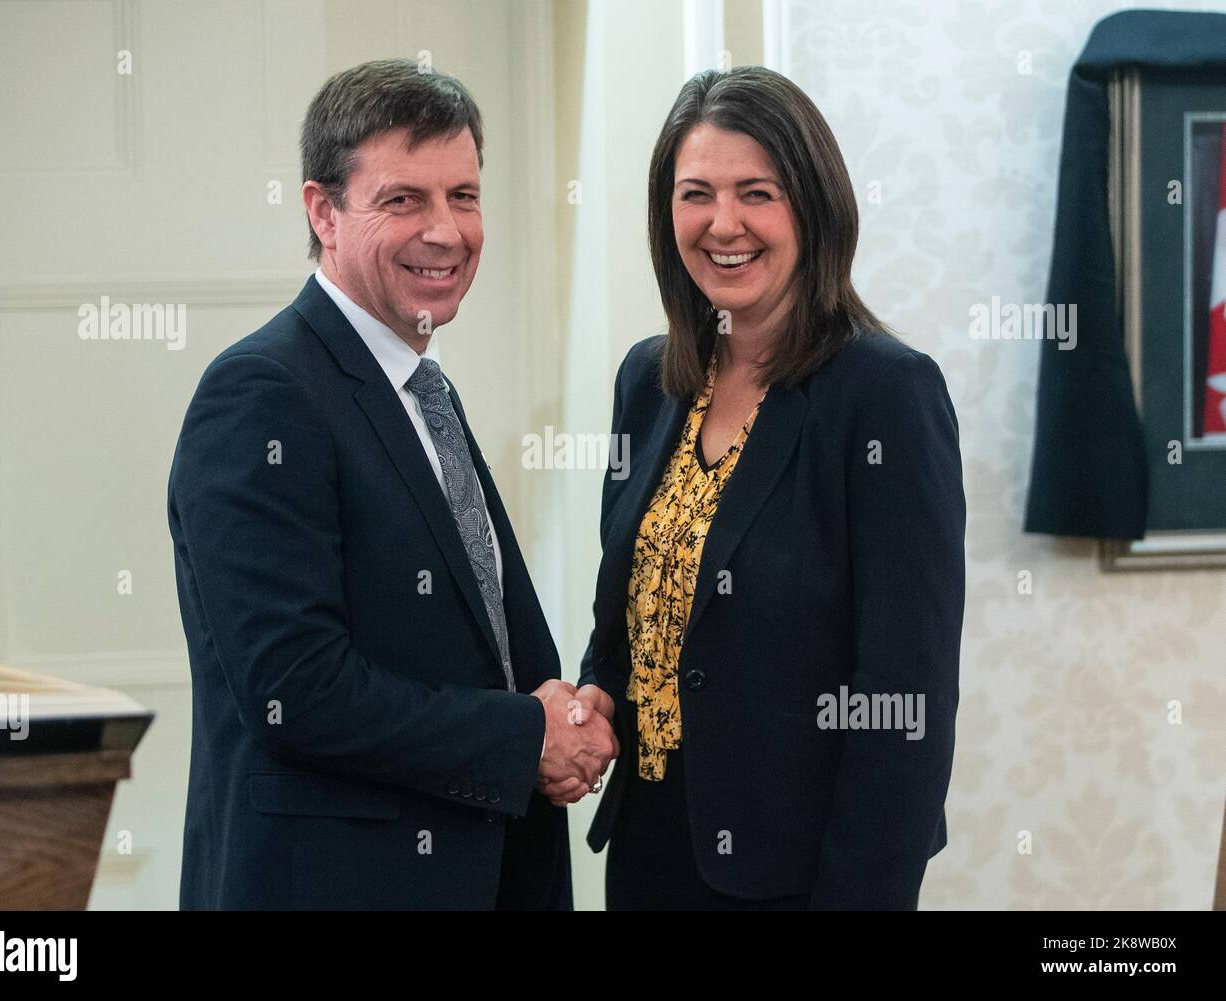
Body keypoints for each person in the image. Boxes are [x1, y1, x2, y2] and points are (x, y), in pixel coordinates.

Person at [168, 59, 615, 910]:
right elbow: (296, 690)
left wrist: (553, 702)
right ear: (322, 212)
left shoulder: (420, 387)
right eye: (404, 199)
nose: (445, 230)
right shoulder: (261, 393)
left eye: (465, 196)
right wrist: (527, 735)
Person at [576, 66, 966, 910]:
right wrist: (600, 683)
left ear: (814, 208)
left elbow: (905, 705)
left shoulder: (886, 394)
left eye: (758, 192)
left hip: (802, 875)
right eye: (696, 193)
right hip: (650, 853)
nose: (724, 224)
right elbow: (639, 596)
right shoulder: (647, 381)